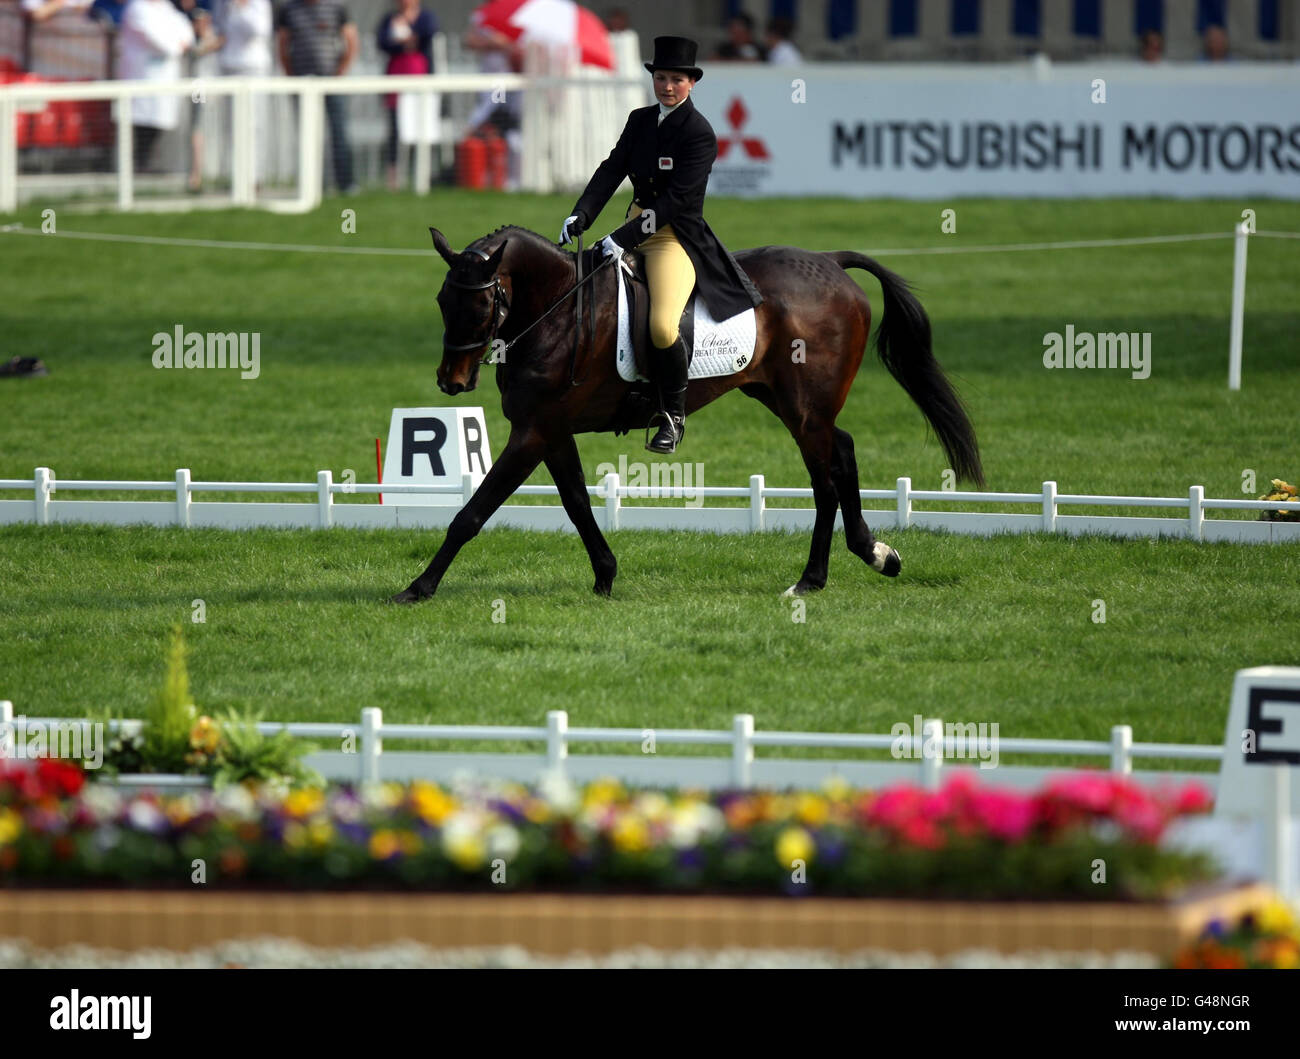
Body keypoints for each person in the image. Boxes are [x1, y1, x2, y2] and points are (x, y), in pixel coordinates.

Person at [560, 36, 762, 455]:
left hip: (674, 239)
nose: (667, 86)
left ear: (691, 83)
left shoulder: (699, 134)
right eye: (661, 78)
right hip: (632, 228)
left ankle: (672, 414)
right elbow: (611, 169)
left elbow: (675, 203)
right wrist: (582, 214)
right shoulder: (639, 120)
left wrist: (622, 238)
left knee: (661, 325)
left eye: (676, 79)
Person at [277, 0, 359, 193]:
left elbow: (351, 41)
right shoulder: (289, 9)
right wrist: (292, 77)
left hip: (331, 81)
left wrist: (340, 72)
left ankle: (346, 184)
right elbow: (282, 43)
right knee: (309, 135)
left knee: (339, 132)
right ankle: (315, 184)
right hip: (304, 83)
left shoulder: (337, 6)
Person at [117, 0, 195, 172]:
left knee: (158, 121)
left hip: (165, 77)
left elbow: (184, 29)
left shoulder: (166, 8)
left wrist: (179, 44)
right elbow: (156, 38)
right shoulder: (136, 8)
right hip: (141, 75)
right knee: (139, 123)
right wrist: (176, 45)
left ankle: (147, 163)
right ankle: (137, 166)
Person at [376, 0, 437, 191]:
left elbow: (427, 36)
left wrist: (407, 34)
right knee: (395, 127)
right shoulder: (389, 19)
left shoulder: (426, 17)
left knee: (422, 125)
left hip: (421, 77)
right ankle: (394, 177)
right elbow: (383, 42)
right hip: (397, 76)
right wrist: (403, 41)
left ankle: (423, 173)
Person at [213, 0, 273, 185]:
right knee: (232, 125)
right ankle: (236, 176)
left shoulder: (258, 4)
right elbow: (221, 30)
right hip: (229, 67)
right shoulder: (222, 4)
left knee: (254, 125)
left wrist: (242, 7)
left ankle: (255, 176)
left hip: (253, 69)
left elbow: (259, 31)